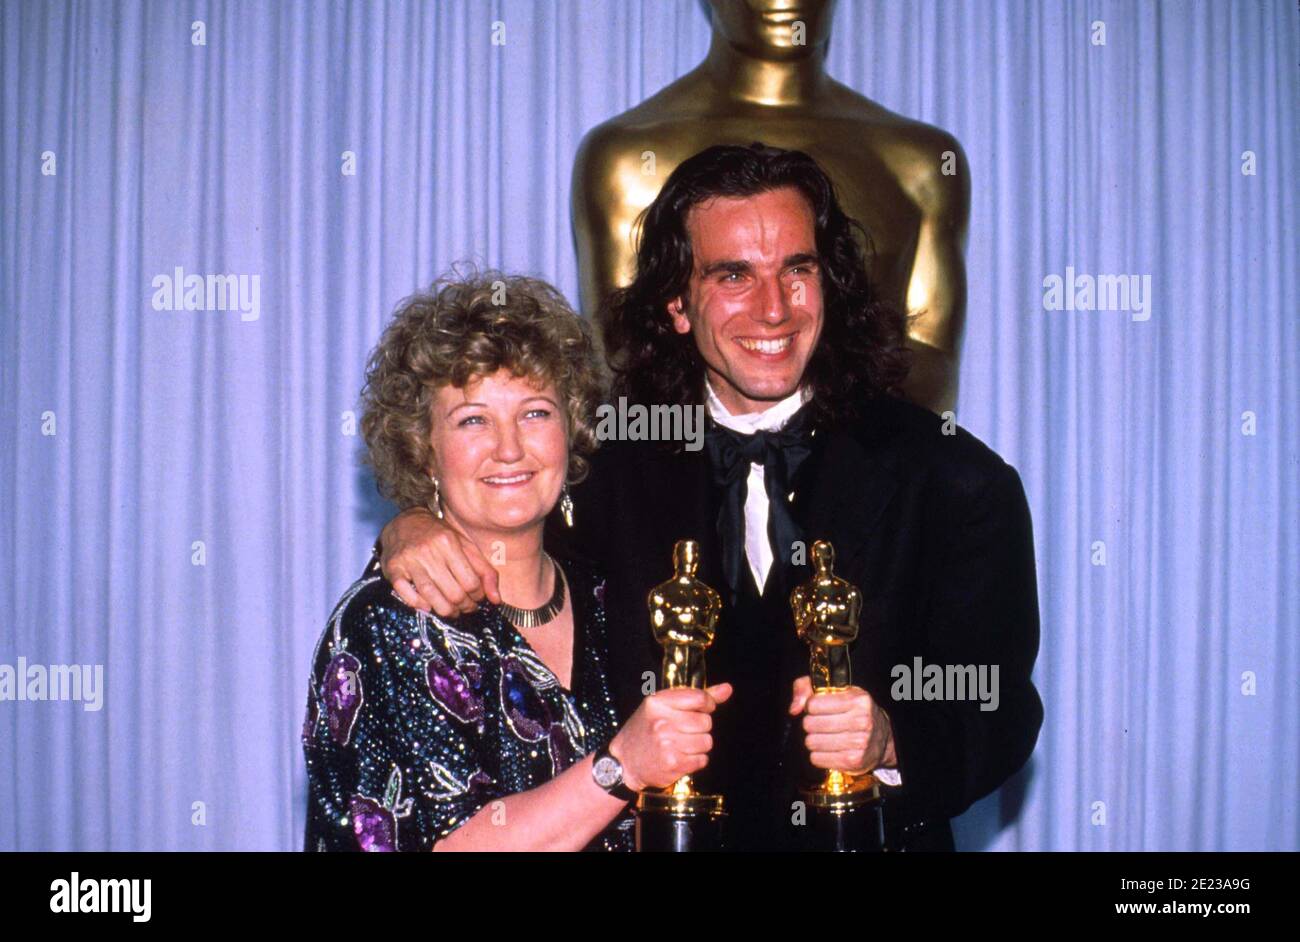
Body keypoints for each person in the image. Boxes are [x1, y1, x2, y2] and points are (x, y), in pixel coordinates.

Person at [380, 144, 1044, 851]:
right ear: (676, 305)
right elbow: (499, 527)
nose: (773, 309)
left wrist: (891, 742)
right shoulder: (599, 459)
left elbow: (995, 707)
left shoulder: (955, 479)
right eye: (734, 274)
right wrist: (413, 524)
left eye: (798, 270)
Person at [302, 271, 731, 852]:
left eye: (535, 413)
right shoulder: (391, 620)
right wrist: (620, 766)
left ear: (571, 428)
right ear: (422, 447)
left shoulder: (614, 596)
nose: (509, 448)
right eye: (473, 420)